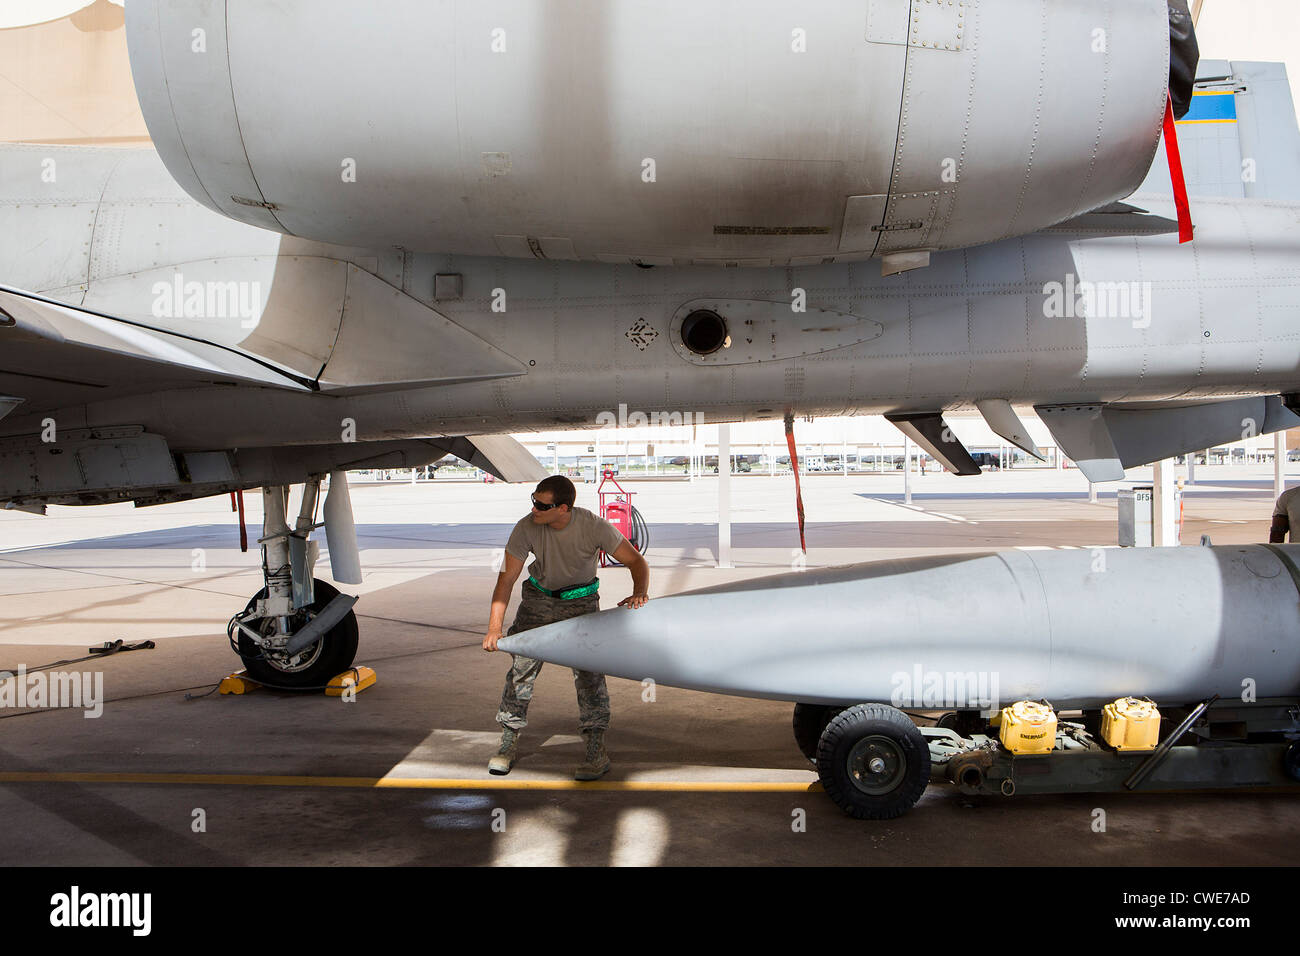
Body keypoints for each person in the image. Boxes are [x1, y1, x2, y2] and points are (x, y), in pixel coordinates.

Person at [482, 475, 649, 779]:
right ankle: (508, 740)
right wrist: (495, 627)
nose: (534, 509)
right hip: (538, 601)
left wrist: (639, 592)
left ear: (563, 508)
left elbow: (636, 561)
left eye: (541, 505)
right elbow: (505, 578)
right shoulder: (526, 526)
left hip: (581, 603)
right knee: (521, 670)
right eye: (533, 501)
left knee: (589, 675)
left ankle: (596, 749)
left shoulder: (593, 526)